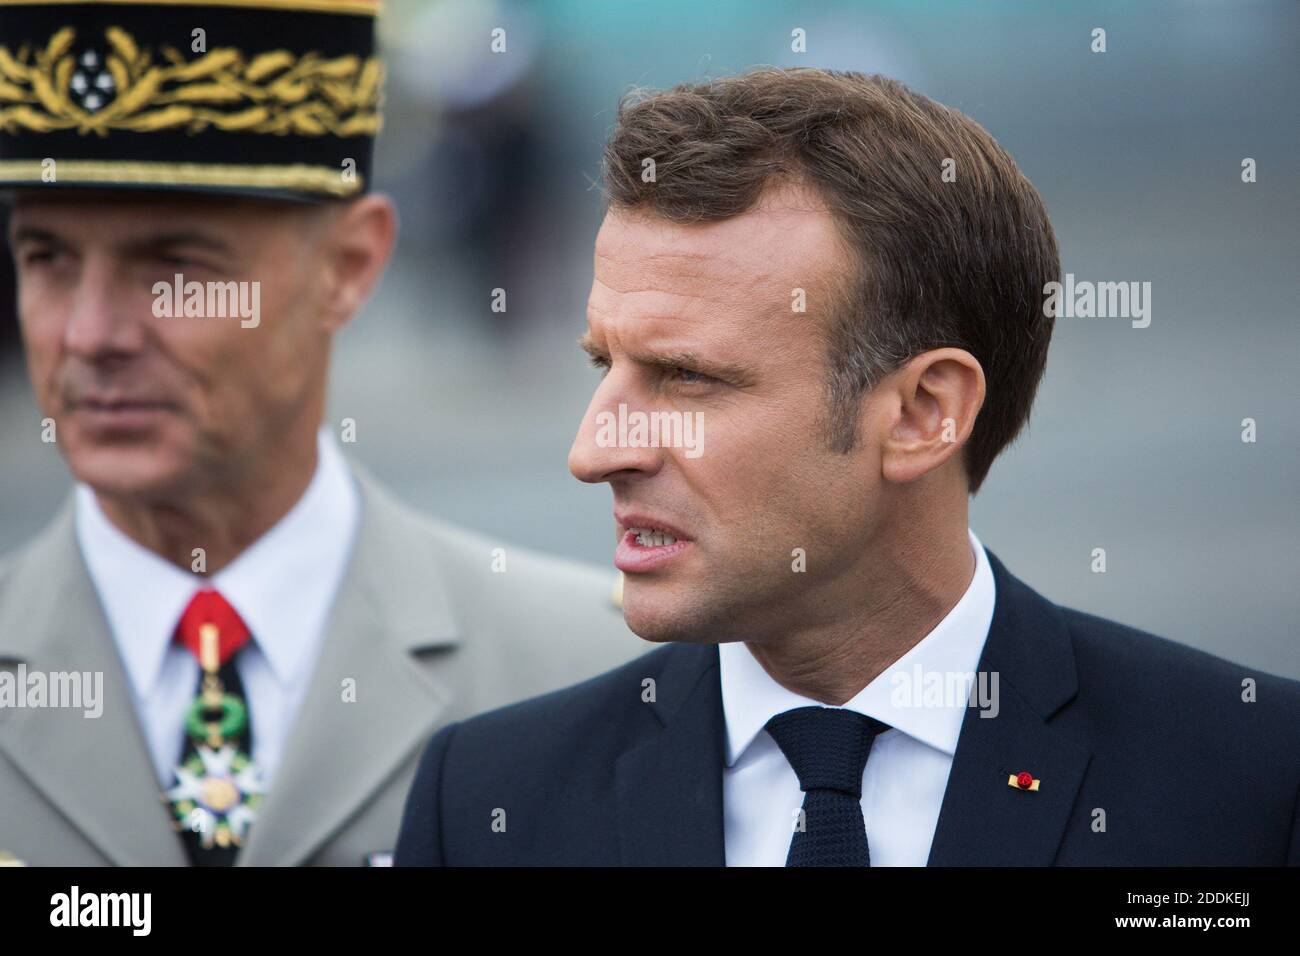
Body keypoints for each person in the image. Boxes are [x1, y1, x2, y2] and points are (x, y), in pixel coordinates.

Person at [395, 68, 1300, 866]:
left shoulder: (1253, 778)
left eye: (688, 378)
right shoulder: (485, 804)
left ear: (923, 413)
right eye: (607, 366)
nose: (593, 452)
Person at [0, 0, 640, 866]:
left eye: (175, 267)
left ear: (348, 267)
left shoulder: (595, 671)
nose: (90, 335)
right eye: (47, 259)